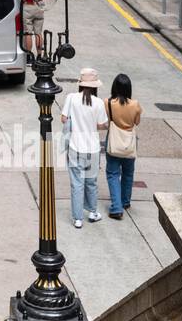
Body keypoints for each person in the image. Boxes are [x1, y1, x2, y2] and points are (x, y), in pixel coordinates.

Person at [61, 68, 108, 228]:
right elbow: (102, 125)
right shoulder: (99, 103)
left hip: (75, 146)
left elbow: (63, 118)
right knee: (91, 182)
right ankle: (93, 212)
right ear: (95, 86)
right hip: (93, 148)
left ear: (80, 84)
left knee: (77, 183)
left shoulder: (71, 98)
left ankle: (78, 218)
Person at [105, 73, 142, 219]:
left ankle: (116, 208)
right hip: (129, 141)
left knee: (113, 174)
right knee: (128, 173)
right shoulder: (135, 105)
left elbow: (106, 119)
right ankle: (125, 201)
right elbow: (137, 122)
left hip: (114, 139)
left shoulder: (107, 103)